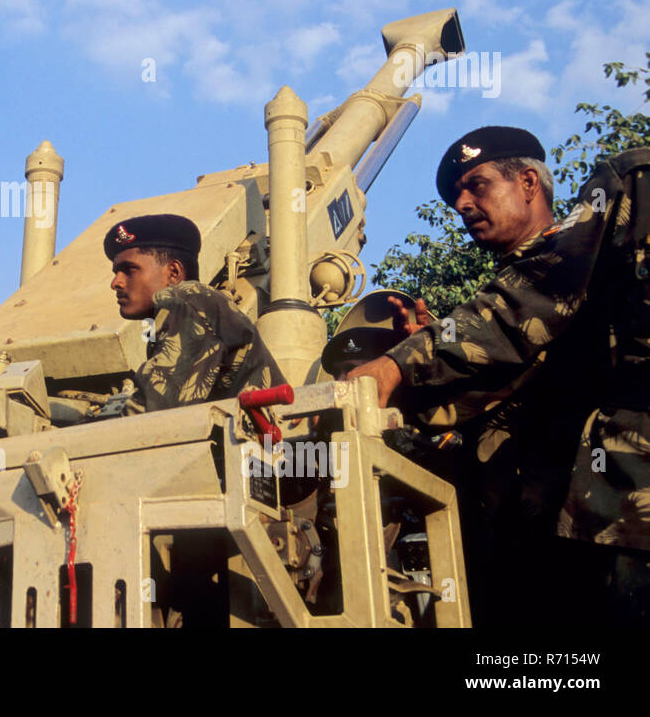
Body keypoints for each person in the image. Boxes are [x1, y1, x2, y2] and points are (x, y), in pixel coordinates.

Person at [347, 126, 650, 625]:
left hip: (606, 525)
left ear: (529, 182)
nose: (463, 204)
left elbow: (529, 306)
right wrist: (434, 357)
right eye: (455, 197)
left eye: (477, 185)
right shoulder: (497, 310)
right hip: (522, 543)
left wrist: (400, 364)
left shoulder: (603, 237)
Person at [106, 213, 284, 413]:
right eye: (115, 272)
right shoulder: (169, 320)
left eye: (129, 270)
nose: (116, 283)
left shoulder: (190, 300)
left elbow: (154, 411)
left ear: (173, 273)